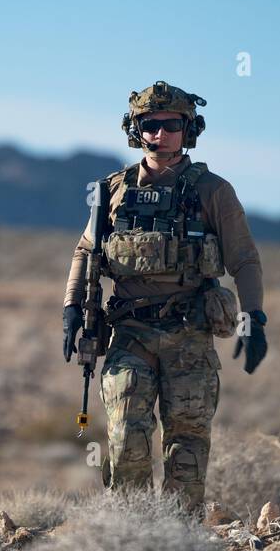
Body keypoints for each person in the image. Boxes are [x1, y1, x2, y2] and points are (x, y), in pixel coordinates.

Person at [62, 82, 267, 511]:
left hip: (188, 336)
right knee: (125, 441)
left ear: (188, 129)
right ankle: (130, 537)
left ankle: (180, 547)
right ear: (136, 130)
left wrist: (254, 319)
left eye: (171, 124)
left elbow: (244, 259)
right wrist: (71, 311)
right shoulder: (113, 191)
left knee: (187, 448)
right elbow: (86, 250)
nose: (160, 134)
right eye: (149, 125)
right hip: (130, 334)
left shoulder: (213, 191)